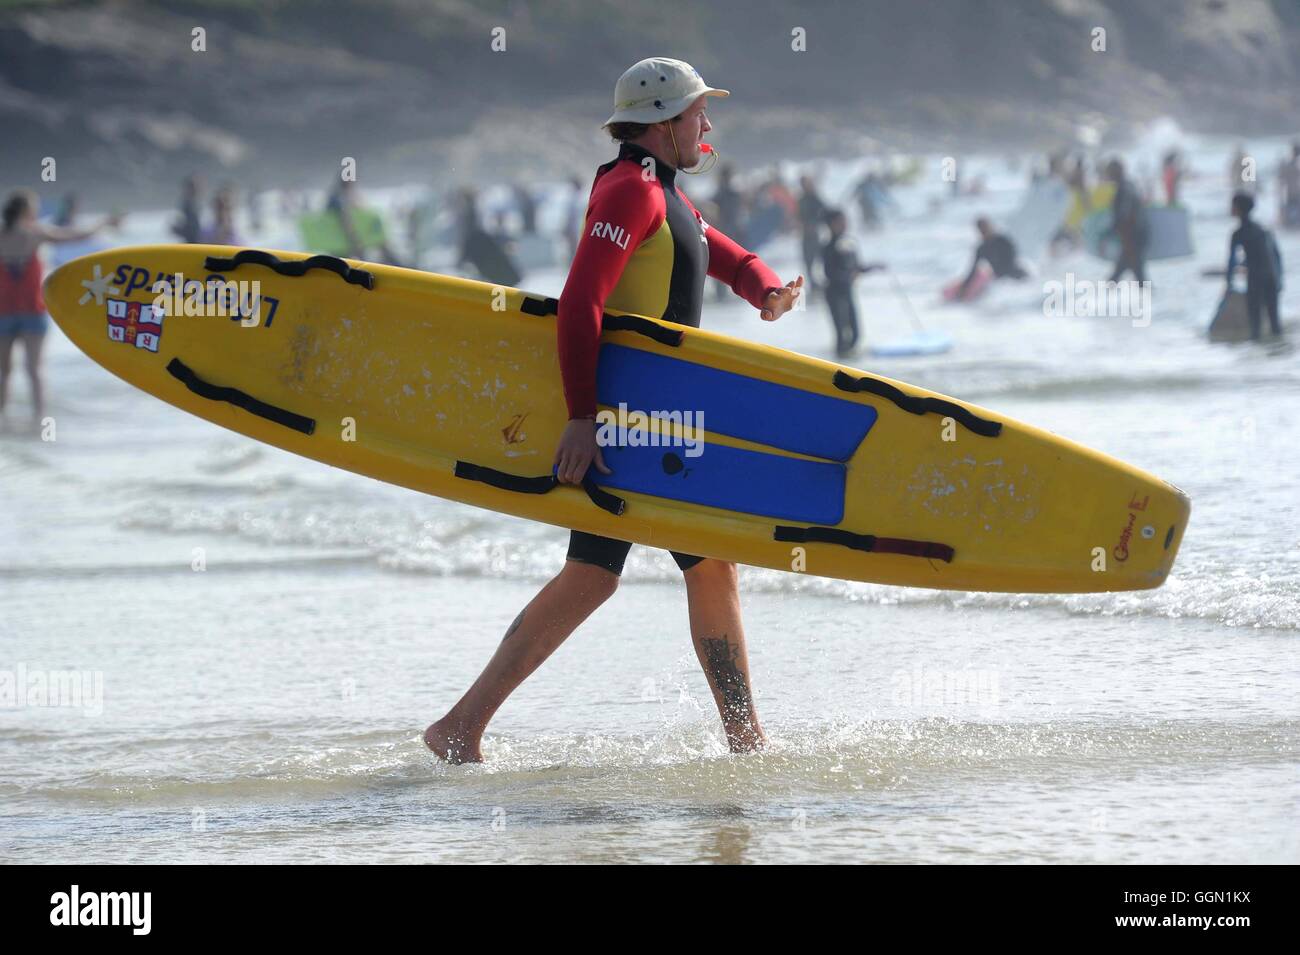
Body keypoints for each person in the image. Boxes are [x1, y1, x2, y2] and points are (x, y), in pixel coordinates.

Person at [424, 56, 802, 764]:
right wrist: (580, 415)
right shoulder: (630, 191)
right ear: (664, 123)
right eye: (697, 113)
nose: (707, 124)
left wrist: (766, 288)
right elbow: (580, 302)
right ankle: (746, 741)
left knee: (602, 572)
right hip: (635, 423)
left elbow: (717, 252)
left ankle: (460, 727)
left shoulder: (661, 192)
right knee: (701, 562)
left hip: (651, 419)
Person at [0, 190, 119, 430]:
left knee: (4, 371)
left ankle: (3, 420)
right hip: (33, 311)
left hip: (5, 312)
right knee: (34, 369)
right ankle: (39, 420)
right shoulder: (37, 234)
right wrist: (104, 222)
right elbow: (75, 235)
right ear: (25, 211)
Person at [821, 208, 882, 357]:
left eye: (845, 220)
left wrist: (875, 267)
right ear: (830, 224)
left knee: (856, 334)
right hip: (834, 293)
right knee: (841, 334)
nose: (844, 224)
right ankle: (838, 366)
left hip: (847, 291)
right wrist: (848, 275)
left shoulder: (850, 243)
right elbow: (829, 273)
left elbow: (857, 267)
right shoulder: (828, 246)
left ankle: (849, 362)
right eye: (840, 221)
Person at [1227, 192, 1284, 340]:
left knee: (1255, 327)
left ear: (1238, 209)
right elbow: (1276, 255)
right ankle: (1279, 353)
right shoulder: (1263, 230)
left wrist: (1228, 285)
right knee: (1275, 324)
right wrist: (1280, 280)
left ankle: (1256, 359)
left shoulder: (1238, 234)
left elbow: (1231, 262)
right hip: (1271, 277)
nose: (1230, 208)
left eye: (1232, 205)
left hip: (1255, 280)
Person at [956, 217, 1026, 299]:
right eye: (981, 229)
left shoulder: (1003, 241)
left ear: (990, 226)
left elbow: (1013, 257)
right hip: (1001, 282)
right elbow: (973, 270)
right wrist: (964, 286)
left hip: (1016, 276)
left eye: (985, 227)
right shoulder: (982, 248)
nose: (984, 231)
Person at [1102, 158, 1149, 283]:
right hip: (1135, 233)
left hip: (1133, 233)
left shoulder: (1124, 189)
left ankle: (1110, 285)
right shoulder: (1128, 186)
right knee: (1131, 264)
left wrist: (1115, 230)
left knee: (1130, 263)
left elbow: (1124, 214)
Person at [797, 174, 827, 299]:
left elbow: (824, 212)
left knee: (820, 258)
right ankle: (813, 283)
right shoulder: (801, 200)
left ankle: (822, 280)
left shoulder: (815, 198)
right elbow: (798, 215)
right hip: (805, 234)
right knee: (807, 260)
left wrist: (814, 224)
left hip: (815, 234)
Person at [171, 175, 204, 244]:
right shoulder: (185, 205)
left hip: (198, 240)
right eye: (193, 186)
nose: (196, 189)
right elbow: (175, 227)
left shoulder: (197, 203)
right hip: (191, 241)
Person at [1279, 142, 1300, 230]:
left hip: (1293, 190)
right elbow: (1283, 177)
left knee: (1293, 207)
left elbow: (1283, 177)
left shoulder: (1291, 164)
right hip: (1292, 191)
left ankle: (1291, 222)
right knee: (1292, 207)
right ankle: (1290, 222)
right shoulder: (1291, 164)